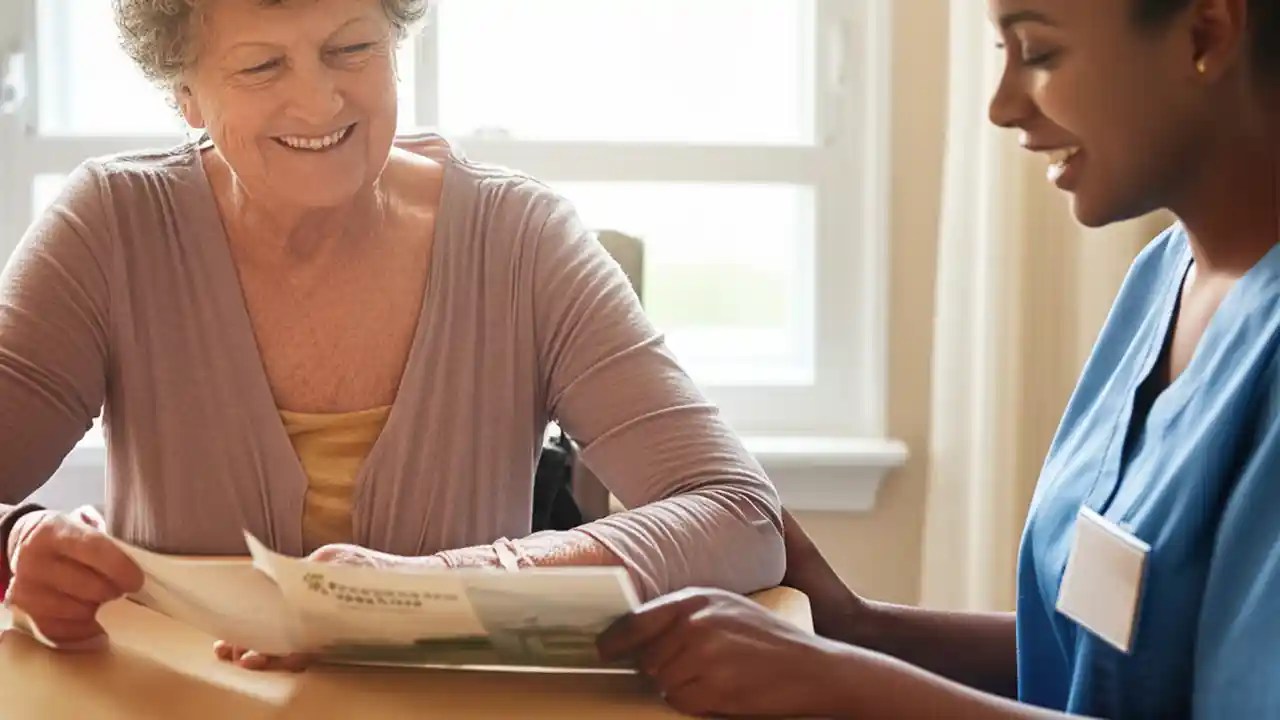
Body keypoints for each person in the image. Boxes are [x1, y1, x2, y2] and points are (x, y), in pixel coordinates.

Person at [0, 0, 786, 670]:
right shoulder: (111, 228)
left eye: (351, 49)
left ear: (397, 44)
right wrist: (18, 542)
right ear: (187, 96)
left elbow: (739, 515)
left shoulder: (520, 241)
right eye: (261, 67)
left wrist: (444, 584)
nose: (318, 103)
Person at [599, 0, 1280, 717]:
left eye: (1040, 52)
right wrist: (857, 628)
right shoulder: (1161, 279)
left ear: (1206, 34)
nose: (1002, 106)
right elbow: (1106, 658)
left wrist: (844, 687)